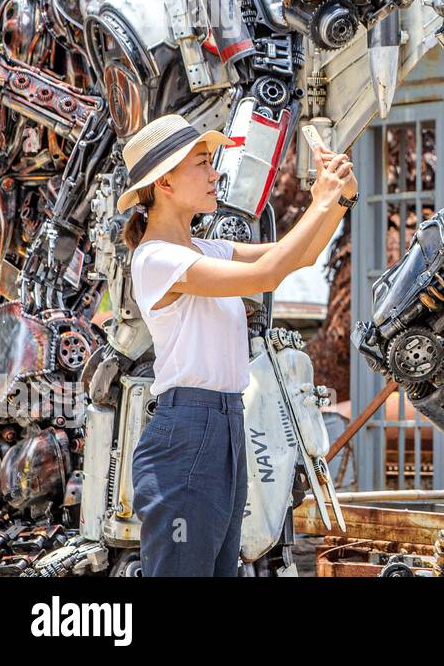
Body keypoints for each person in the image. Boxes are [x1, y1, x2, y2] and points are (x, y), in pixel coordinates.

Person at [119, 114, 356, 576]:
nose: (215, 175)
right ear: (164, 182)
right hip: (187, 432)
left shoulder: (205, 250)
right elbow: (268, 274)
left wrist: (339, 198)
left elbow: (301, 255)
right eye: (202, 164)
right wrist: (321, 200)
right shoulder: (155, 258)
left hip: (221, 426)